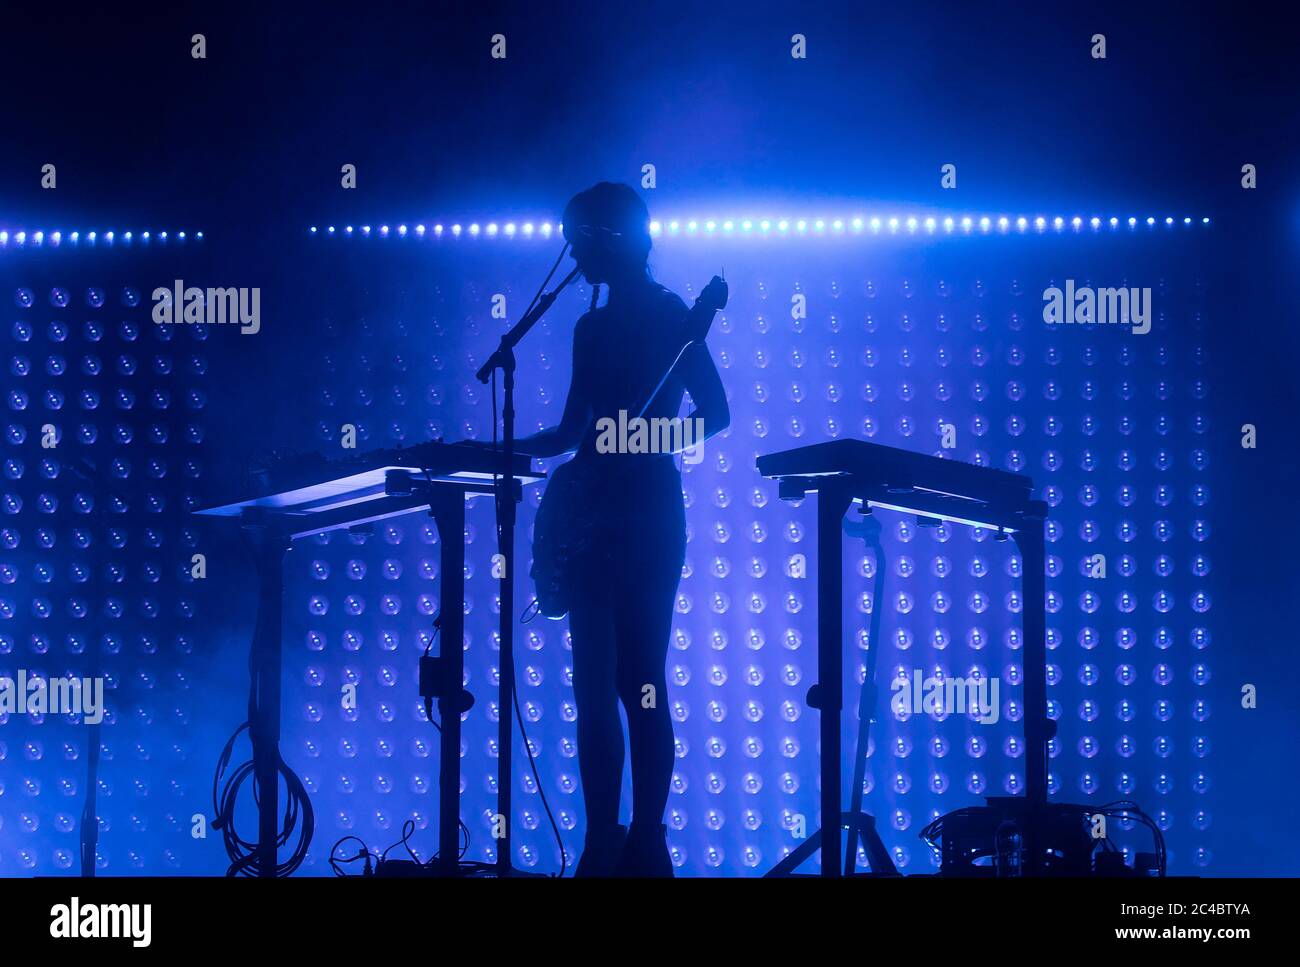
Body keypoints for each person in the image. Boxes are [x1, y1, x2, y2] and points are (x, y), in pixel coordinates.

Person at [513, 183, 729, 875]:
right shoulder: (590, 328)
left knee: (641, 677)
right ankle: (601, 839)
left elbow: (716, 414)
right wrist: (498, 449)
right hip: (596, 511)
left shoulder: (674, 317)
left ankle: (647, 836)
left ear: (609, 239)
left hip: (646, 510)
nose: (573, 252)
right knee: (592, 682)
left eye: (581, 237)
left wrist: (643, 436)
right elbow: (571, 430)